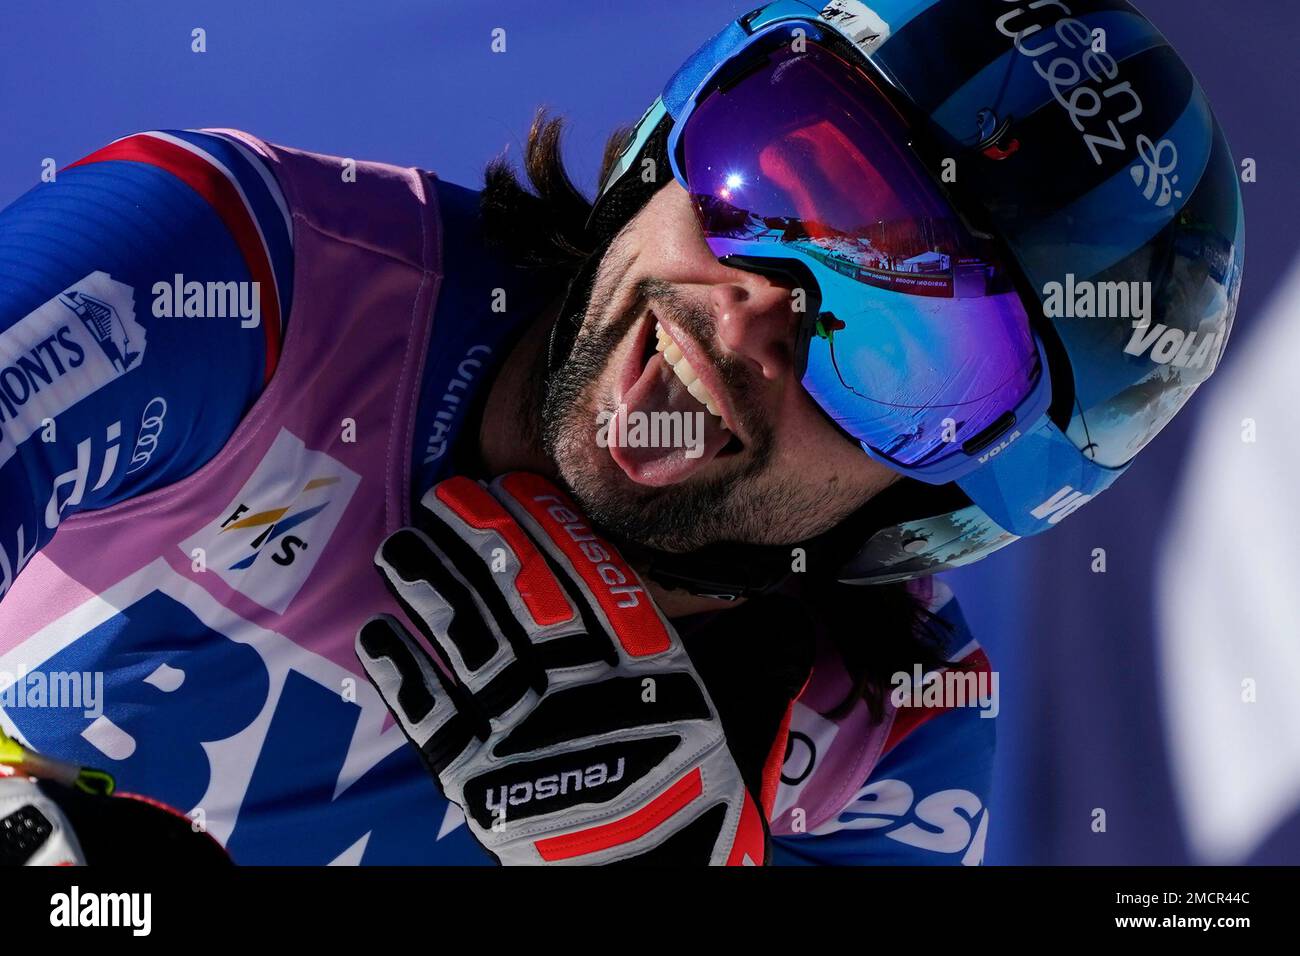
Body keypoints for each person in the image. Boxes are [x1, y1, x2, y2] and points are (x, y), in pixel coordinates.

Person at [0, 0, 1241, 864]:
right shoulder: (224, 273)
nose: (748, 312)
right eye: (782, 188)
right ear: (673, 137)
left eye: (908, 346)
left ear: (951, 489)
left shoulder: (893, 747)